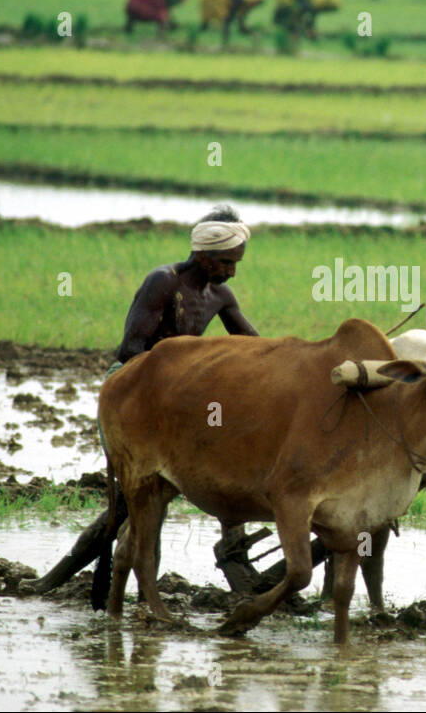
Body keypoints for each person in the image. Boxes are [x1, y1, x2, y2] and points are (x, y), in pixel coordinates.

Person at [23, 206, 259, 595]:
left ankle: (232, 564)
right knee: (143, 498)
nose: (232, 271)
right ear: (202, 255)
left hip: (177, 396)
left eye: (236, 262)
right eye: (226, 262)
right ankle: (60, 583)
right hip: (131, 392)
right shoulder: (163, 282)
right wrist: (187, 379)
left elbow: (254, 346)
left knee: (178, 485)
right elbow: (131, 348)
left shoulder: (220, 295)